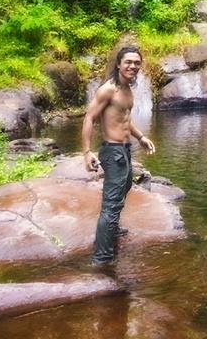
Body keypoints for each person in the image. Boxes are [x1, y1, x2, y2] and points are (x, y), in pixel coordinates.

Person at [82, 45, 156, 266]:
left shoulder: (128, 89)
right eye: (128, 62)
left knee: (125, 188)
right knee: (111, 205)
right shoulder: (109, 89)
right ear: (118, 64)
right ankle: (101, 258)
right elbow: (88, 118)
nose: (133, 66)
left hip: (124, 149)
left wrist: (140, 137)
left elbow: (124, 119)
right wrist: (86, 152)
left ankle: (111, 230)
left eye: (136, 62)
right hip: (112, 150)